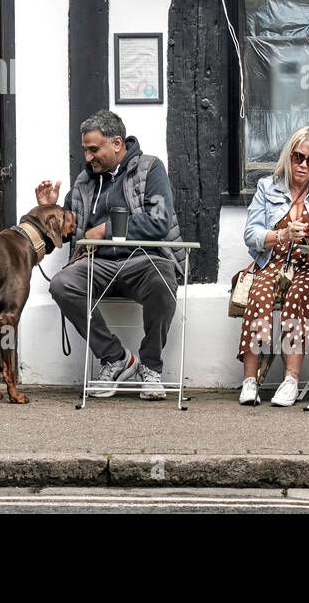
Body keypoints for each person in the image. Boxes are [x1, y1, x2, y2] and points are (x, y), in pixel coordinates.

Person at [37, 110, 183, 400]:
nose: (88, 157)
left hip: (144, 260)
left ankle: (150, 366)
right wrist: (48, 211)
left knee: (162, 279)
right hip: (98, 263)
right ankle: (115, 358)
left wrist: (106, 230)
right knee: (62, 284)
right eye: (85, 150)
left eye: (94, 149)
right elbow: (65, 233)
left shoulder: (150, 169)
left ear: (117, 143)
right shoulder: (83, 182)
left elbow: (158, 222)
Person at [237, 126, 309, 407]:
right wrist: (282, 235)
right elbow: (250, 234)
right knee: (259, 295)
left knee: (297, 295)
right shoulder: (267, 187)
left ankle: (291, 380)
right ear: (288, 156)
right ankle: (250, 380)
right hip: (275, 261)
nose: (303, 165)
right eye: (298, 157)